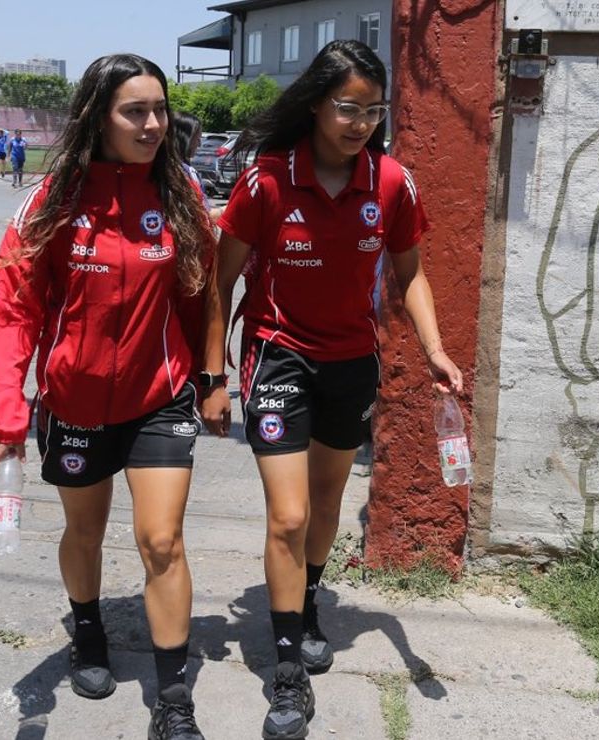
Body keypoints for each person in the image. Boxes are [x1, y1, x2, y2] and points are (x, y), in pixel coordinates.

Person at [198, 40, 464, 740]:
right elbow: (220, 282)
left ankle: (309, 599)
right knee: (287, 517)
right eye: (348, 108)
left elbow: (410, 276)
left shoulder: (391, 184)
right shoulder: (267, 182)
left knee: (324, 504)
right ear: (317, 104)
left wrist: (434, 348)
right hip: (278, 358)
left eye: (373, 112)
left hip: (352, 365)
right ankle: (287, 675)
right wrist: (213, 375)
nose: (360, 123)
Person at [0, 53, 215, 740]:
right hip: (74, 401)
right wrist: (7, 414)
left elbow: (199, 291)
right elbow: (11, 311)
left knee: (162, 539)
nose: (151, 124)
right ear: (98, 117)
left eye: (160, 110)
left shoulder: (179, 195)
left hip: (159, 396)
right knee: (84, 530)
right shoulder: (50, 201)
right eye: (134, 111)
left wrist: (209, 378)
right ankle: (87, 630)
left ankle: (174, 703)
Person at [171, 111, 222, 222]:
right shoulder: (185, 173)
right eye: (197, 139)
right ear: (185, 139)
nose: (199, 144)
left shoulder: (162, 168)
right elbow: (203, 216)